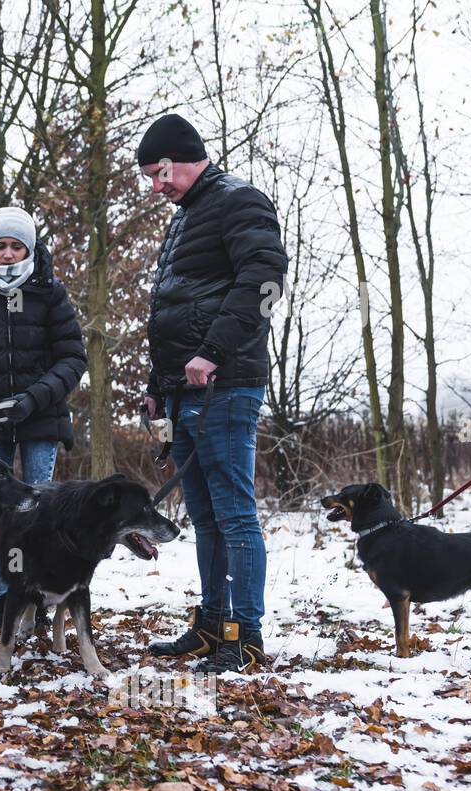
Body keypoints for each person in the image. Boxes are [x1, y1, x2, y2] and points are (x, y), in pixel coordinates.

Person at [136, 113, 287, 674]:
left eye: (159, 173)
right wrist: (158, 384)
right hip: (183, 391)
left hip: (226, 385)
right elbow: (172, 309)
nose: (156, 187)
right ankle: (212, 624)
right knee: (203, 516)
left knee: (233, 515)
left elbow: (266, 281)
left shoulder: (240, 201)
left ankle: (244, 635)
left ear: (184, 156)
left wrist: (215, 352)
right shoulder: (187, 215)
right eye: (149, 177)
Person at [0, 206, 86, 630]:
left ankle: (39, 598)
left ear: (29, 248)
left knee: (39, 510)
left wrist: (33, 398)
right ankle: (5, 601)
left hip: (41, 418)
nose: (7, 253)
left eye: (15, 246)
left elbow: (72, 359)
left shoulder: (50, 292)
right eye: (0, 245)